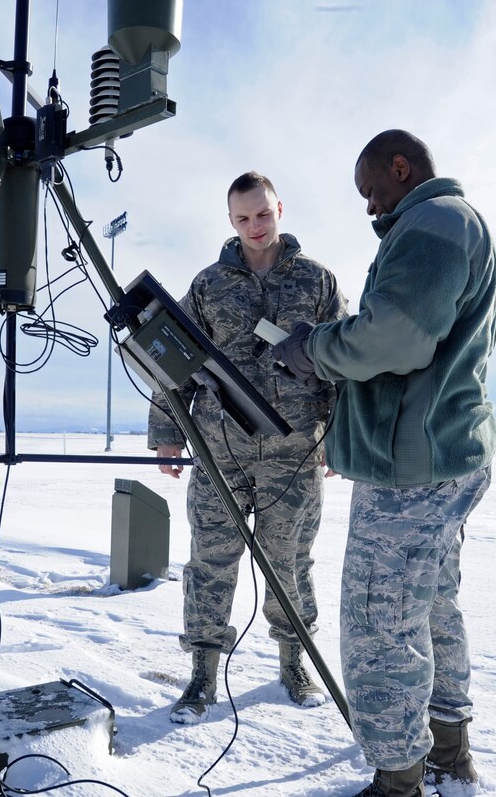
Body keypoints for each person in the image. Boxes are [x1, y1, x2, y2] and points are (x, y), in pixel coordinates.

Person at [273, 130, 496, 797]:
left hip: (413, 470)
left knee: (380, 622)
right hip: (442, 454)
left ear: (401, 168)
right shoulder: (450, 223)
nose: (369, 206)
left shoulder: (434, 223)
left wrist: (313, 348)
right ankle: (448, 751)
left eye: (371, 190)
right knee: (429, 607)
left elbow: (395, 339)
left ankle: (399, 781)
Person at [148, 171, 349, 724]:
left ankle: (294, 662)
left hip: (296, 452)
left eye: (262, 214)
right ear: (230, 221)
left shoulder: (317, 280)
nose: (254, 226)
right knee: (210, 561)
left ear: (279, 209)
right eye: (242, 218)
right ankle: (202, 672)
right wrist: (167, 434)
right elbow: (172, 362)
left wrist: (340, 436)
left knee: (290, 561)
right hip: (221, 452)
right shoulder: (209, 285)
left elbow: (345, 362)